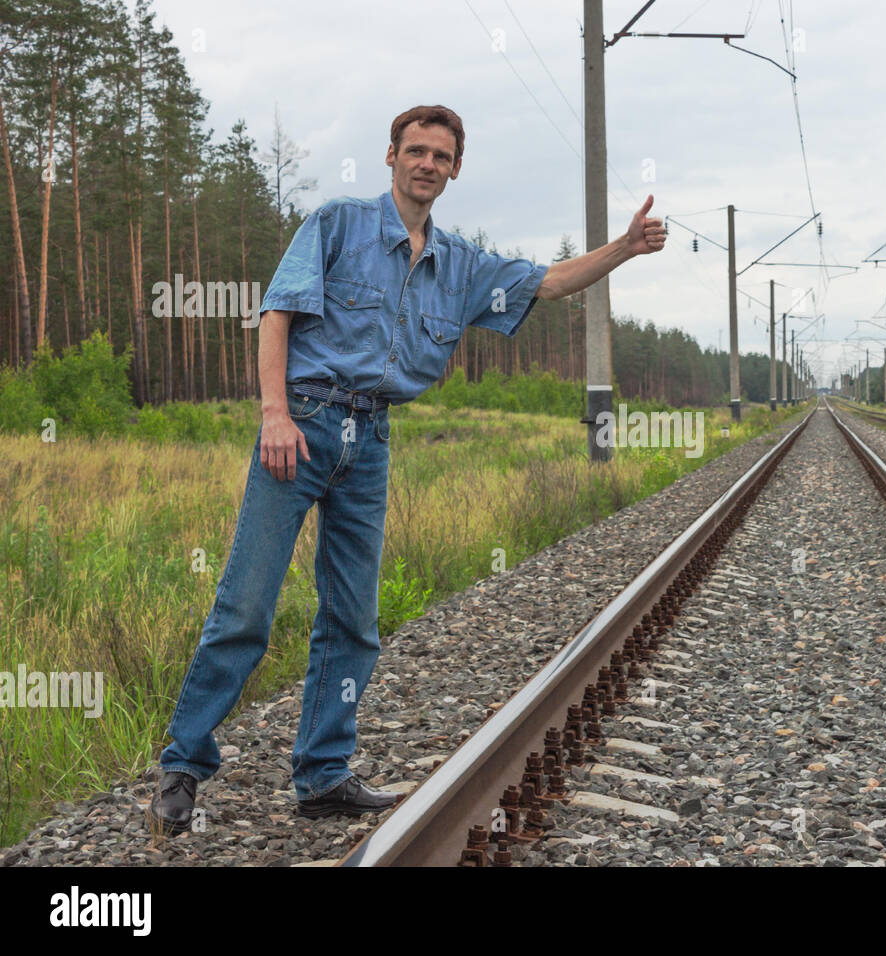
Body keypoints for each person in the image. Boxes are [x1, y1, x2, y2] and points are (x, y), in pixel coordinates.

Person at [149, 104, 666, 834]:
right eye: (416, 151)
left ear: (455, 170)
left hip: (372, 441)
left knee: (354, 619)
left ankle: (323, 775)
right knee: (246, 608)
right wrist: (274, 414)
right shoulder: (337, 225)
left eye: (441, 156)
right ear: (390, 155)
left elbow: (548, 283)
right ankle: (182, 767)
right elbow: (276, 317)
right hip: (301, 426)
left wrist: (624, 247)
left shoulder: (460, 266)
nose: (428, 164)